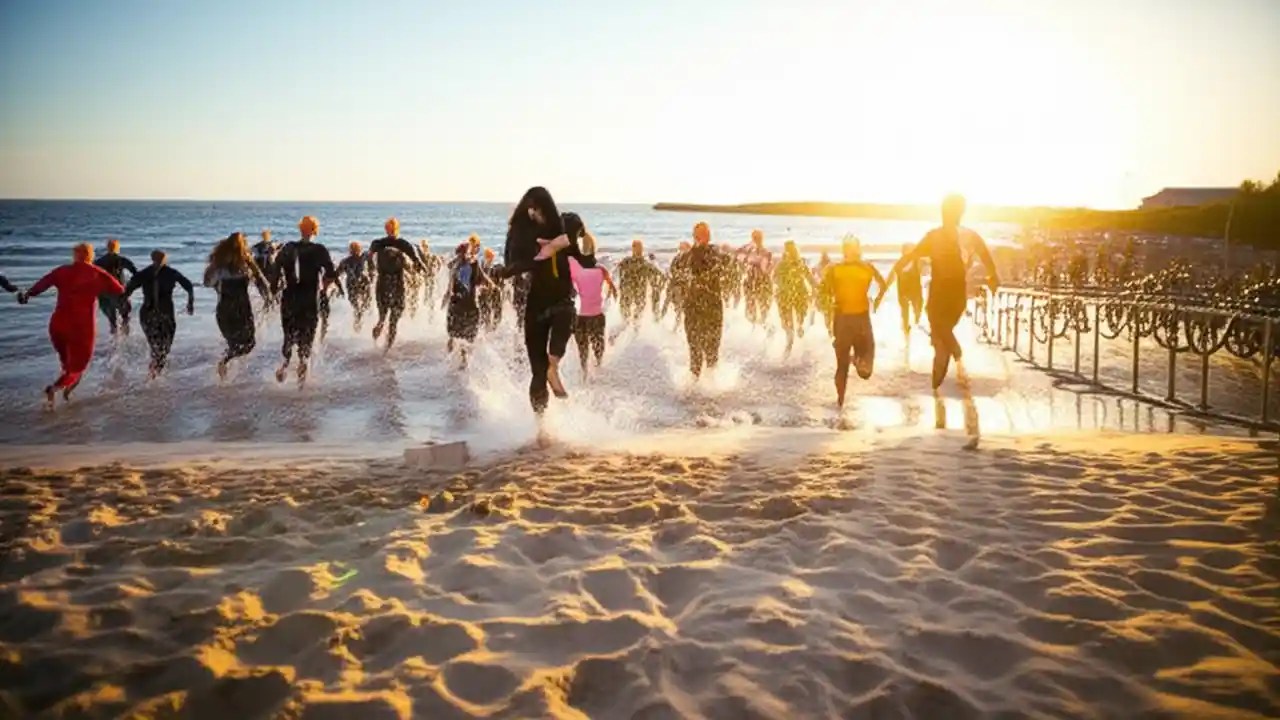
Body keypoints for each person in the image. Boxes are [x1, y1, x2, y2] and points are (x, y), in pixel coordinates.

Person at [882, 194, 999, 389]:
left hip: (943, 293)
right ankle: (940, 368)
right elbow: (985, 256)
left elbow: (913, 254)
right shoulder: (966, 236)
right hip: (956, 293)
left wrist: (900, 265)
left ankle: (954, 352)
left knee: (940, 329)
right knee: (940, 333)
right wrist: (993, 276)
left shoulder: (938, 236)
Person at [501, 186, 584, 426]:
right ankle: (541, 426)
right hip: (534, 304)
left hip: (560, 298)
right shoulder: (521, 233)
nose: (534, 215)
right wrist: (539, 254)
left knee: (566, 317)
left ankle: (554, 366)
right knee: (537, 373)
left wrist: (558, 243)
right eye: (530, 210)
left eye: (538, 209)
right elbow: (512, 266)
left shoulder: (562, 225)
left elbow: (581, 242)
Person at [17, 242, 125, 406]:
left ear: (75, 255)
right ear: (91, 255)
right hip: (81, 328)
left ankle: (63, 400)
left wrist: (28, 294)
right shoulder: (97, 273)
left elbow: (40, 286)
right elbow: (119, 289)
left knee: (67, 366)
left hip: (58, 325)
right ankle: (55, 389)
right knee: (77, 368)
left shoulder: (62, 271)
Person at [821, 235, 887, 410]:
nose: (851, 252)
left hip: (856, 320)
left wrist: (877, 300)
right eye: (849, 249)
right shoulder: (836, 269)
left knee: (864, 371)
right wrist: (877, 300)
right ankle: (840, 402)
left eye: (853, 249)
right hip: (847, 320)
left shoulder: (865, 267)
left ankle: (854, 362)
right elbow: (824, 294)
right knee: (843, 367)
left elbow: (883, 285)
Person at [276, 215, 337, 383]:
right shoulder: (320, 250)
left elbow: (275, 270)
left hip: (289, 298)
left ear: (300, 229)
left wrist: (273, 291)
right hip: (309, 299)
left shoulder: (288, 248)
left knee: (289, 335)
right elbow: (331, 274)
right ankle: (302, 366)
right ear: (315, 230)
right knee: (307, 337)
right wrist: (324, 289)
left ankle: (285, 364)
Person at [205, 231, 272, 379]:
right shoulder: (246, 263)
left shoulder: (220, 265)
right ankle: (225, 362)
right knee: (248, 344)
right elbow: (261, 282)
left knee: (236, 343)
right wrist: (268, 299)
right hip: (241, 309)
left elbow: (207, 282)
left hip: (225, 309)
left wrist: (217, 284)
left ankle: (224, 363)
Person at [125, 250, 195, 378]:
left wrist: (190, 302)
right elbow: (128, 289)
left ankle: (153, 374)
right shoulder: (150, 273)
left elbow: (188, 285)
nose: (159, 262)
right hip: (154, 314)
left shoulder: (166, 273)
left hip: (158, 314)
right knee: (158, 348)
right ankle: (154, 376)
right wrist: (190, 303)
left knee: (162, 349)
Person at [567, 214, 617, 377]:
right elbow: (613, 289)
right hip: (597, 316)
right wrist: (607, 299)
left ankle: (584, 376)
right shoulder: (601, 270)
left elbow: (565, 283)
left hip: (581, 317)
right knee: (598, 350)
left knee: (583, 352)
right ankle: (598, 374)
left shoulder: (575, 268)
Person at [368, 218, 427, 350]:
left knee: (382, 318)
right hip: (397, 284)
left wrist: (371, 272)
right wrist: (425, 272)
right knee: (393, 321)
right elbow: (417, 261)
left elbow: (369, 258)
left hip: (382, 283)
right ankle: (387, 350)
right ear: (397, 229)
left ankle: (375, 346)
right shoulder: (403, 244)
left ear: (386, 229)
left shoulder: (377, 243)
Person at [682, 223, 726, 379]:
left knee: (712, 350)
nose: (704, 237)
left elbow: (719, 267)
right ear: (695, 236)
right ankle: (695, 385)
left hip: (713, 306)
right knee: (695, 349)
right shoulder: (688, 256)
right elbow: (677, 274)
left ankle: (711, 385)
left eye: (706, 234)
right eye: (700, 235)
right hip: (693, 306)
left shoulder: (715, 252)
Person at [444, 242, 493, 367]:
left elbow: (450, 288)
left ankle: (452, 364)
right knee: (466, 338)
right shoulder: (471, 264)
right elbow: (486, 282)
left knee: (455, 336)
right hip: (468, 306)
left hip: (458, 306)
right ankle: (462, 363)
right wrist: (489, 288)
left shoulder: (456, 266)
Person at [773, 240, 816, 353]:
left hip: (794, 295)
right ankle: (794, 339)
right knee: (793, 324)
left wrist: (814, 290)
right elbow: (811, 279)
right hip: (792, 295)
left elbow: (775, 278)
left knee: (792, 325)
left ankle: (792, 341)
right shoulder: (792, 264)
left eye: (791, 250)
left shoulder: (794, 263)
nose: (790, 252)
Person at [95, 238, 138, 335]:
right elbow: (135, 273)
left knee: (112, 321)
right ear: (117, 248)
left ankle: (114, 340)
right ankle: (125, 338)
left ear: (107, 248)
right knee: (125, 317)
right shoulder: (122, 260)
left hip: (104, 294)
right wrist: (130, 287)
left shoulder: (98, 262)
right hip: (119, 292)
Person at [615, 239, 662, 328]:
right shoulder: (628, 261)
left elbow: (658, 275)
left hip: (636, 291)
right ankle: (630, 329)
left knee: (634, 313)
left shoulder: (643, 263)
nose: (639, 250)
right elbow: (618, 273)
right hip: (630, 291)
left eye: (639, 247)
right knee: (630, 314)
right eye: (637, 247)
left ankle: (632, 330)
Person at [739, 229, 773, 326]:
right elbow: (767, 270)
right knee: (761, 311)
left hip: (754, 283)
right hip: (760, 283)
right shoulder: (766, 252)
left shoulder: (751, 252)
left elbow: (741, 260)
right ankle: (761, 327)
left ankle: (757, 328)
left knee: (753, 311)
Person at [337, 241, 373, 332]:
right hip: (362, 283)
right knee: (364, 305)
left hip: (355, 284)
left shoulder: (346, 261)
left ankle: (359, 321)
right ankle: (360, 320)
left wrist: (340, 289)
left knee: (359, 307)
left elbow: (335, 275)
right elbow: (372, 267)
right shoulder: (364, 257)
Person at [892, 242, 924, 335]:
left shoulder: (914, 260)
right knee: (909, 309)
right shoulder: (903, 262)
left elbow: (922, 269)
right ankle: (908, 326)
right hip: (908, 289)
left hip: (909, 289)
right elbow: (896, 273)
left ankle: (911, 324)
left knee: (912, 308)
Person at [661, 242, 693, 328]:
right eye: (680, 247)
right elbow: (672, 269)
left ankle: (676, 326)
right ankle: (661, 319)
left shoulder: (690, 258)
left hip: (682, 286)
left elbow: (689, 272)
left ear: (688, 248)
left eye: (682, 247)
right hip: (674, 284)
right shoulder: (677, 257)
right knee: (667, 302)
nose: (680, 249)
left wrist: (679, 274)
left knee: (679, 307)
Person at [478, 247, 505, 332]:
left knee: (491, 313)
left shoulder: (492, 268)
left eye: (490, 257)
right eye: (489, 257)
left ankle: (491, 329)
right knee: (488, 313)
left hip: (492, 293)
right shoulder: (485, 268)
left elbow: (501, 282)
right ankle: (490, 329)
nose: (489, 259)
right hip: (488, 293)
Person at [252, 230, 281, 298]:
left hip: (266, 268)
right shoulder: (260, 246)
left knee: (265, 286)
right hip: (267, 267)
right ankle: (271, 297)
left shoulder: (271, 244)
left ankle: (270, 297)